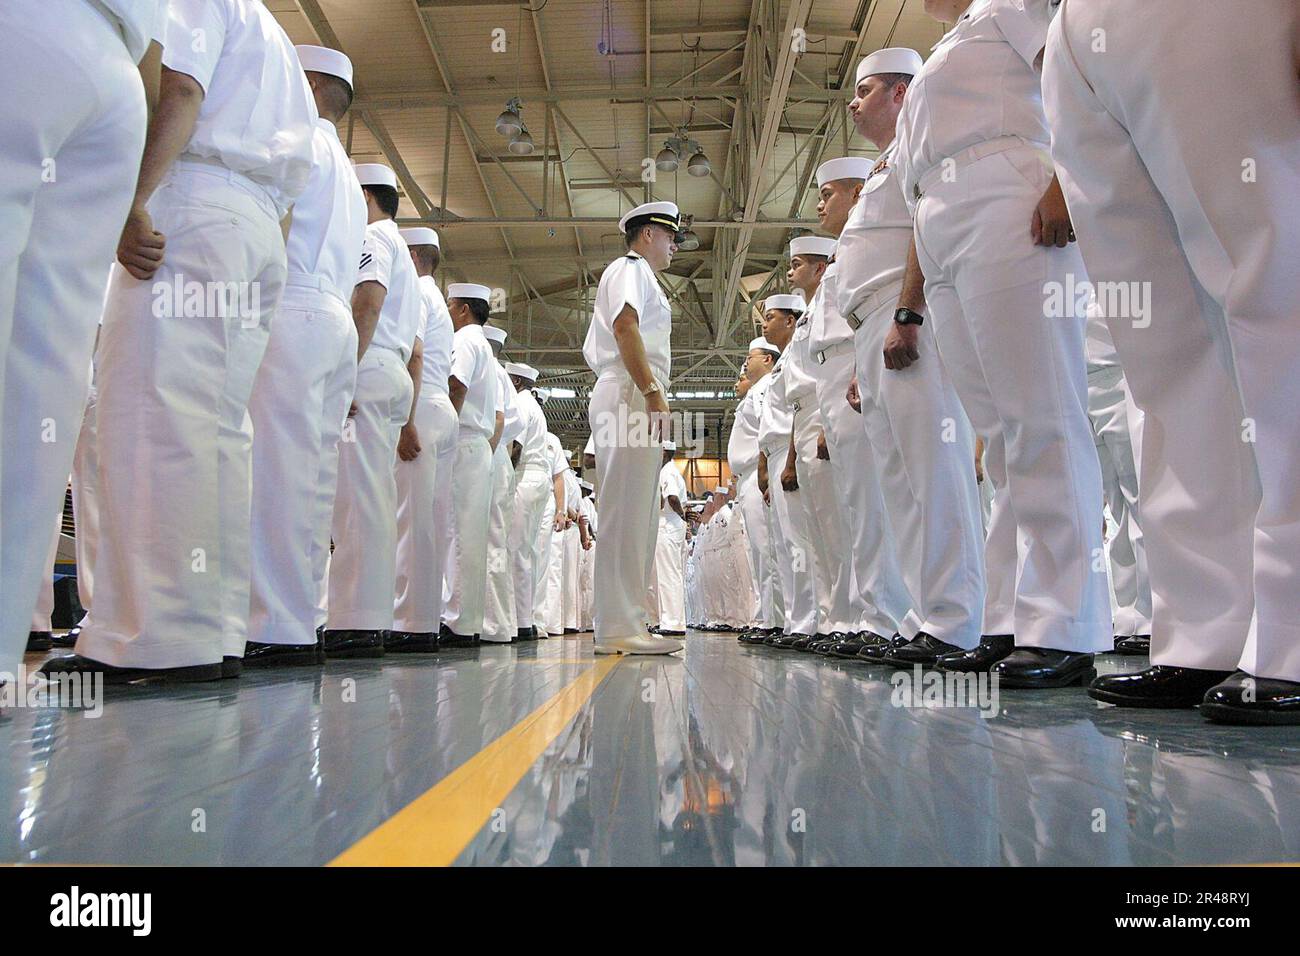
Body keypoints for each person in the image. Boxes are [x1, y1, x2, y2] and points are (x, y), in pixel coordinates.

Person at [1044, 0, 1300, 721]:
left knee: (1276, 284)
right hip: (1081, 33)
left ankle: (1291, 631)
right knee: (1165, 350)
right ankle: (1207, 628)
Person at [45, 0, 316, 683]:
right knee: (220, 434)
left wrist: (128, 200)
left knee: (153, 416)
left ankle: (150, 636)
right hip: (255, 230)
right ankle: (211, 630)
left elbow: (184, 89)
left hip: (194, 202)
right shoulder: (279, 41)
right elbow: (291, 196)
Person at [891, 0, 1110, 687]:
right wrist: (911, 297)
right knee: (1000, 432)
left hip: (1002, 187)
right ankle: (1012, 617)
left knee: (1039, 413)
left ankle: (1066, 623)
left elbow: (1068, 77)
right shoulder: (944, 46)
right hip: (940, 218)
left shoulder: (1006, 5)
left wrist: (1063, 178)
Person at [832, 48, 988, 670]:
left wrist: (907, 315)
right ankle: (925, 618)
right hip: (871, 327)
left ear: (901, 92)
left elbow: (924, 231)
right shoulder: (881, 167)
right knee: (900, 484)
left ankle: (956, 621)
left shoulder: (918, 148)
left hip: (906, 319)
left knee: (935, 474)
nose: (853, 101)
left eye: (865, 89)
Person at [246, 44, 366, 667]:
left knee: (273, 470)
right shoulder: (345, 165)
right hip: (335, 322)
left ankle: (269, 623)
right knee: (314, 479)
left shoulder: (299, 140)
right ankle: (297, 619)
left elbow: (280, 219)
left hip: (293, 306)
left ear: (309, 83)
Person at [808, 157, 919, 659]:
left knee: (884, 499)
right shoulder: (845, 257)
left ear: (857, 192)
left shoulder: (871, 228)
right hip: (846, 363)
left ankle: (892, 617)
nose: (818, 203)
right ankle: (873, 615)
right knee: (862, 505)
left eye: (828, 192)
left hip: (875, 341)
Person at [320, 163, 421, 658]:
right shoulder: (400, 247)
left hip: (370, 361)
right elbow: (418, 348)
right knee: (375, 498)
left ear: (364, 195)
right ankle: (371, 616)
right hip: (394, 369)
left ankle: (355, 621)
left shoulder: (374, 237)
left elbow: (367, 303)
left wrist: (345, 369)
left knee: (357, 499)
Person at [582, 200, 684, 655]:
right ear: (648, 235)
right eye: (670, 236)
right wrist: (650, 389)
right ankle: (619, 627)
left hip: (631, 390)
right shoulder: (630, 268)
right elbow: (625, 326)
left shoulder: (645, 277)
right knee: (625, 513)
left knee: (636, 513)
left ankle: (629, 621)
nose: (675, 246)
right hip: (628, 389)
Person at [391, 227, 457, 651]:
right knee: (431, 522)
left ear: (413, 256)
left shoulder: (417, 293)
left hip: (423, 406)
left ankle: (407, 623)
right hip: (442, 410)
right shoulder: (441, 304)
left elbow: (413, 353)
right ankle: (425, 621)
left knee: (410, 518)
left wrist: (405, 419)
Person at [440, 283, 501, 647]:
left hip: (463, 441)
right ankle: (468, 622)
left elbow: (456, 386)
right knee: (471, 537)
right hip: (478, 447)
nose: (446, 312)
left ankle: (456, 622)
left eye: (450, 306)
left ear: (464, 310)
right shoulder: (484, 348)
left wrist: (445, 427)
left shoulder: (464, 340)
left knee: (458, 535)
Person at [755, 295, 816, 647]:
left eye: (771, 317)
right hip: (777, 453)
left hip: (789, 449)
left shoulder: (795, 354)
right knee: (785, 544)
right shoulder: (785, 361)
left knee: (800, 542)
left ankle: (807, 621)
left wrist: (789, 459)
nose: (765, 324)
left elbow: (797, 409)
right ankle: (797, 621)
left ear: (792, 320)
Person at [731, 338, 786, 644]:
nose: (744, 364)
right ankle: (769, 616)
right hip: (749, 475)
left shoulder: (765, 389)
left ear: (767, 359)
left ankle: (775, 620)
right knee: (761, 551)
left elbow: (767, 432)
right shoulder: (755, 391)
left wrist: (763, 472)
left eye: (749, 357)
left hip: (757, 472)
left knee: (767, 549)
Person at [481, 324, 523, 644]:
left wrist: (485, 455)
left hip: (489, 454)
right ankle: (499, 622)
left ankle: (492, 623)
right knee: (495, 543)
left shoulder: (490, 371)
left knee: (490, 542)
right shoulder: (502, 376)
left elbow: (496, 420)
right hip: (499, 457)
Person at [506, 363, 549, 641]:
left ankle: (521, 621)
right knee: (529, 551)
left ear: (519, 382)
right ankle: (527, 617)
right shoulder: (535, 406)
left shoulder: (521, 403)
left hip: (524, 477)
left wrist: (504, 477)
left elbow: (516, 448)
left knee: (516, 549)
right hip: (539, 479)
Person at [652, 442, 687, 636]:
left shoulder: (667, 472)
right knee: (667, 574)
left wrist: (681, 514)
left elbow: (672, 498)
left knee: (668, 575)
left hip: (669, 523)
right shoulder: (668, 470)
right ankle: (669, 619)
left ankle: (672, 622)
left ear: (663, 452)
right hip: (670, 522)